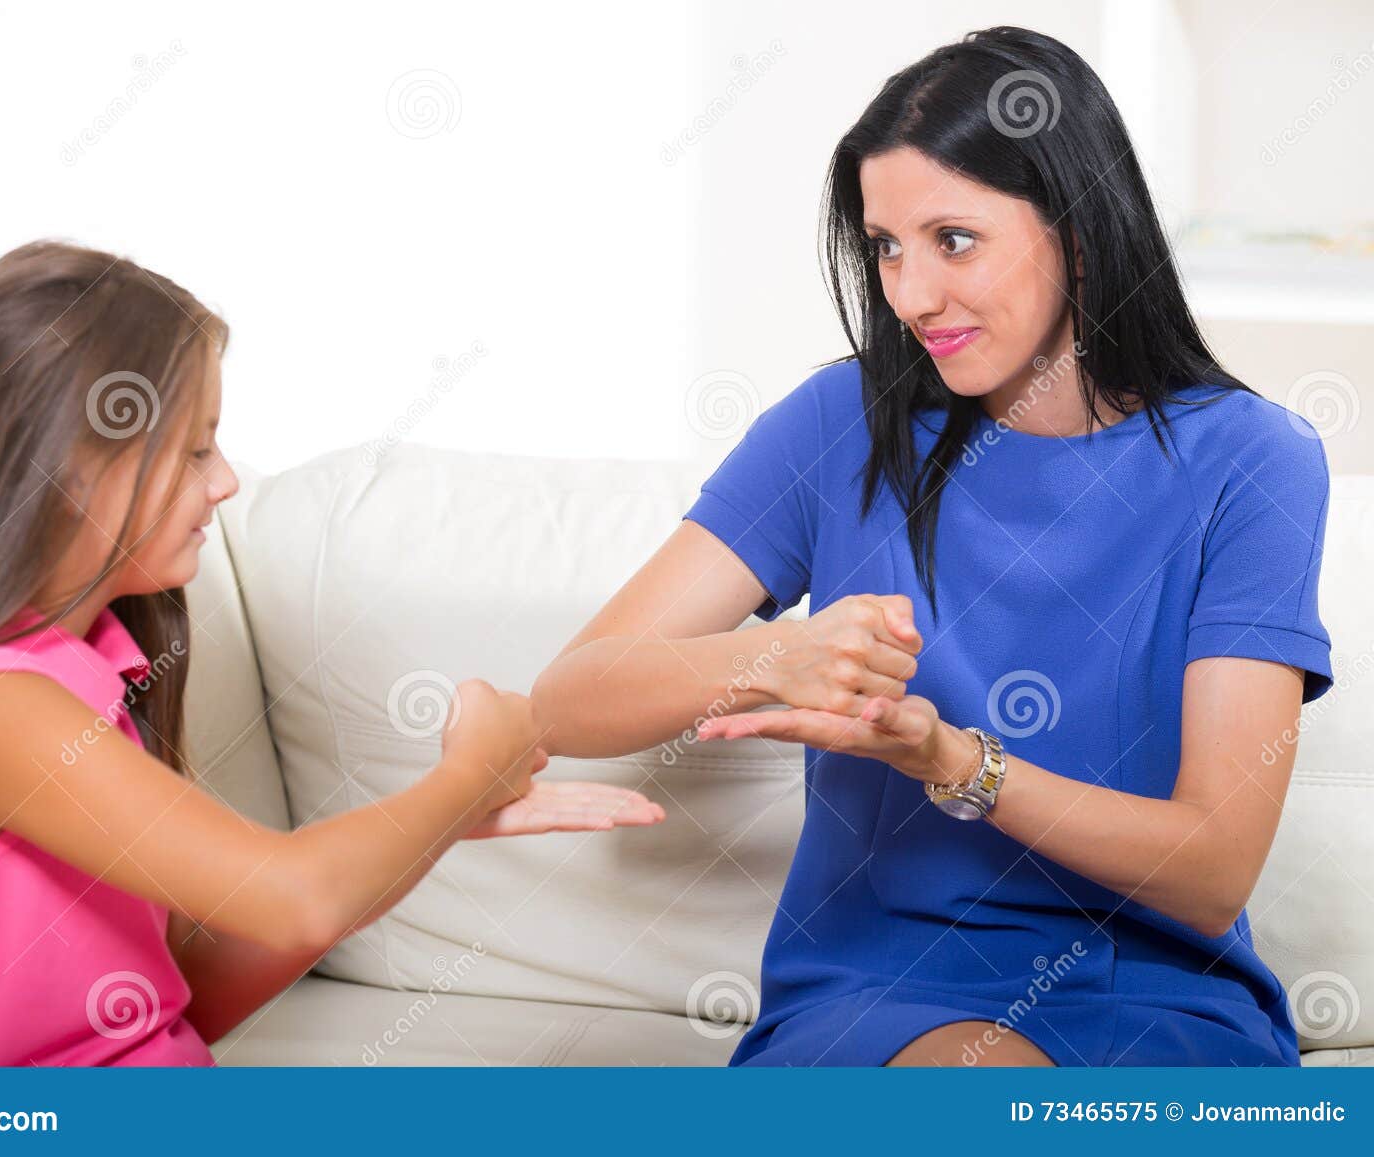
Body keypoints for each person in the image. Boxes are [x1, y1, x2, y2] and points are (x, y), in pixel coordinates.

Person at [531, 26, 1334, 1067]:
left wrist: (952, 759)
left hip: (1153, 994)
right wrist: (770, 656)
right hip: (878, 988)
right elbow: (566, 700)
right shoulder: (839, 422)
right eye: (885, 246)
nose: (909, 294)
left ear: (1077, 228)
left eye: (953, 239)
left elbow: (1211, 866)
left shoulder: (1251, 458)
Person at [0, 240, 664, 1066]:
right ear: (67, 467)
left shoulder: (71, 676)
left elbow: (184, 999)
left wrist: (429, 829)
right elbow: (295, 896)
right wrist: (468, 771)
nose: (225, 480)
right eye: (194, 449)